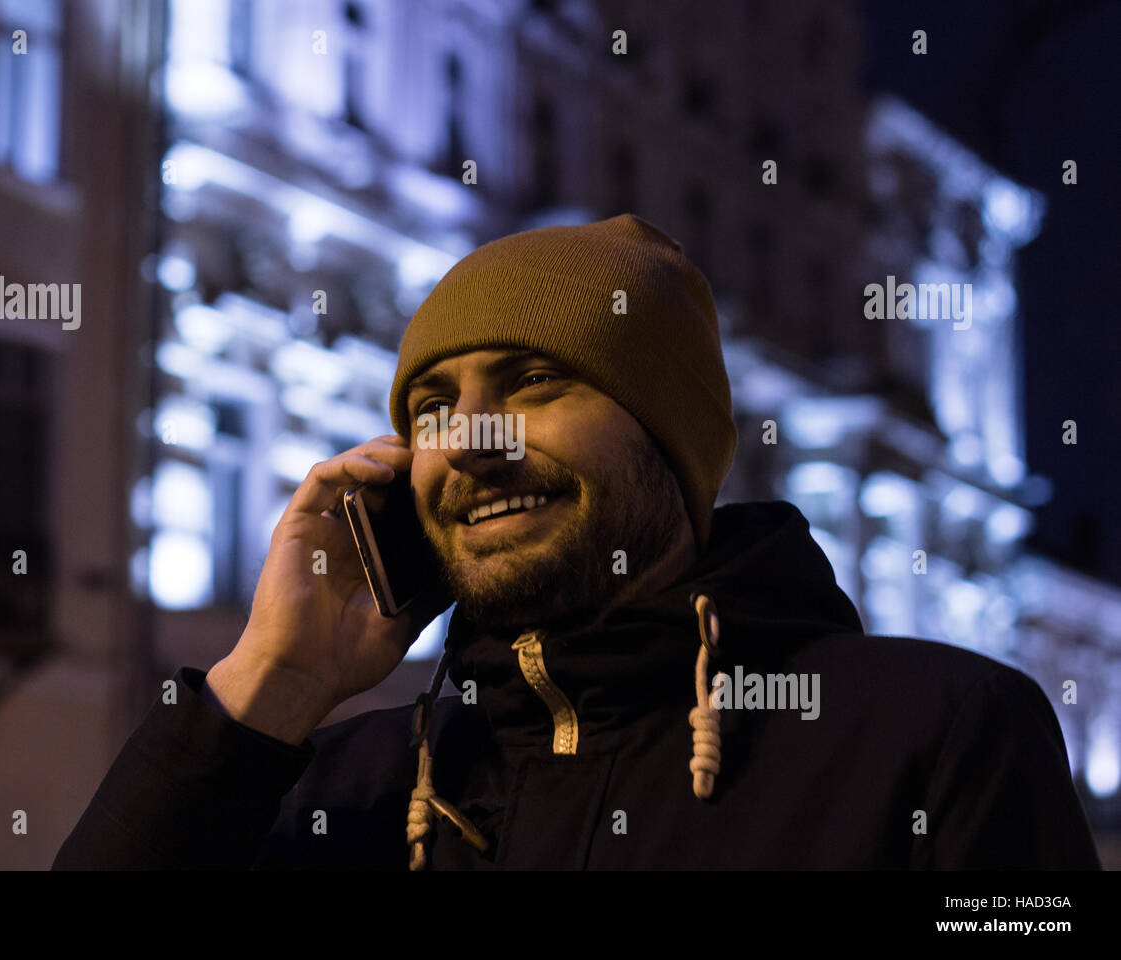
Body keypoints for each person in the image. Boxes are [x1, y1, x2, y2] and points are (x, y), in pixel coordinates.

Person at [53, 214, 1101, 870]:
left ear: (671, 440)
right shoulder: (348, 789)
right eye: (431, 406)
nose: (472, 442)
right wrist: (268, 685)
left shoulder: (933, 736)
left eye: (536, 385)